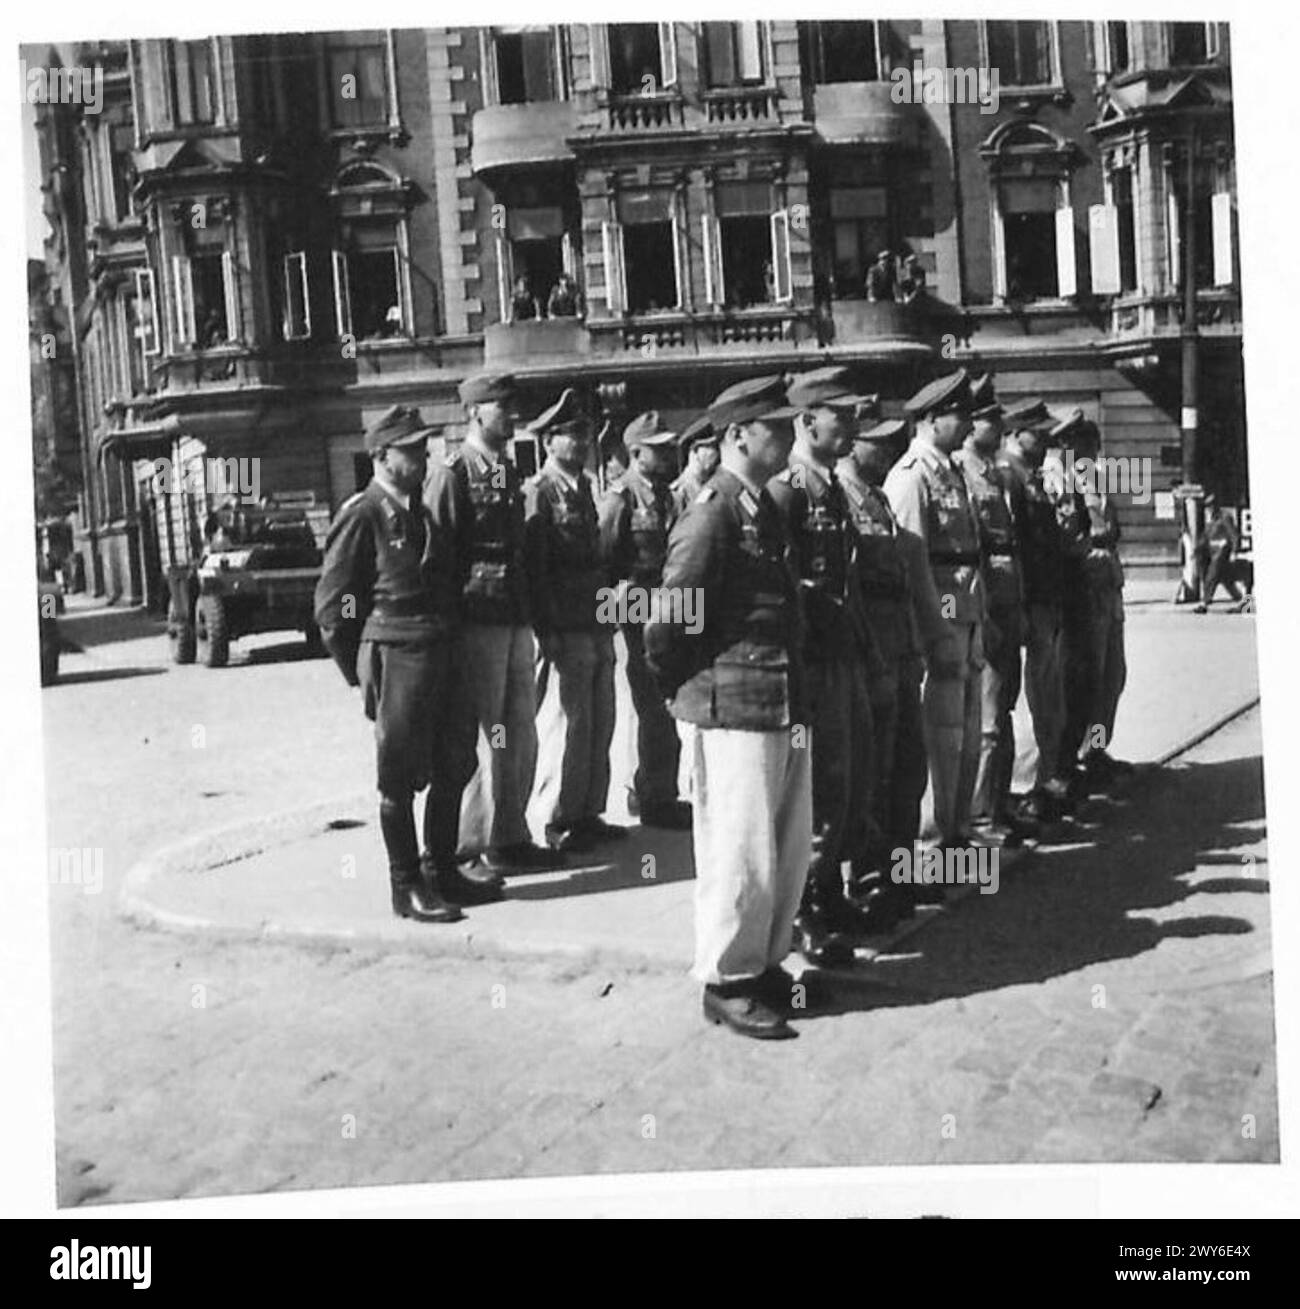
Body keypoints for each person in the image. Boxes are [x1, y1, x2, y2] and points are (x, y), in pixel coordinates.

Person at [644, 376, 812, 1040]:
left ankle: (766, 961)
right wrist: (679, 692)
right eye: (778, 425)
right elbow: (671, 616)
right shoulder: (712, 511)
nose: (790, 435)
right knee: (739, 849)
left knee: (782, 844)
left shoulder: (762, 507)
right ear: (740, 434)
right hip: (733, 703)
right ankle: (728, 978)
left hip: (779, 698)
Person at [314, 405, 493, 923]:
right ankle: (405, 884)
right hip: (398, 655)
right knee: (398, 775)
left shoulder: (418, 511)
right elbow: (334, 608)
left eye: (424, 448)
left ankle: (442, 871)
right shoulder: (363, 513)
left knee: (455, 763)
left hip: (439, 649)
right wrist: (364, 669)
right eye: (410, 450)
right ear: (379, 455)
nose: (422, 457)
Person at [425, 371, 563, 874]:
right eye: (501, 408)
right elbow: (437, 555)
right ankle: (467, 847)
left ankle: (509, 834)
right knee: (483, 736)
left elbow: (519, 544)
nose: (512, 416)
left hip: (512, 615)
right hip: (475, 619)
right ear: (474, 413)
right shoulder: (452, 472)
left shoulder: (502, 470)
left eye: (511, 407)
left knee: (517, 730)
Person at [769, 366, 881, 965]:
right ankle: (804, 907)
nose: (855, 425)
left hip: (843, 654)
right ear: (807, 421)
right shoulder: (787, 492)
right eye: (844, 414)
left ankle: (831, 888)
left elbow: (847, 577)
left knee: (852, 778)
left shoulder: (831, 488)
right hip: (812, 660)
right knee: (821, 783)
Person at [884, 370, 985, 875]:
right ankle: (930, 844)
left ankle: (958, 831)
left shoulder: (952, 470)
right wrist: (933, 631)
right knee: (937, 735)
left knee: (965, 733)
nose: (967, 422)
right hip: (940, 619)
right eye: (957, 414)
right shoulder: (911, 474)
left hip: (966, 614)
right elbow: (912, 560)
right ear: (929, 420)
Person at [524, 388, 623, 853]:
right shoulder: (540, 492)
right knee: (565, 723)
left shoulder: (583, 489)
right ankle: (555, 817)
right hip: (564, 623)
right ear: (548, 442)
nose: (581, 442)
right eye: (570, 435)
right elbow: (535, 567)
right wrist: (546, 630)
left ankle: (587, 810)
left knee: (599, 719)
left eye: (584, 434)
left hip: (594, 619)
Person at [838, 412, 927, 927]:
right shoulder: (840, 499)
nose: (890, 449)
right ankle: (868, 879)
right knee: (872, 773)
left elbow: (902, 579)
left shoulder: (877, 499)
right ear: (856, 446)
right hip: (870, 655)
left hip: (899, 652)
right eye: (880, 442)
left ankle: (899, 869)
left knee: (907, 770)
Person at [597, 411, 692, 830]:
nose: (669, 452)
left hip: (672, 609)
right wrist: (612, 617)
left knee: (668, 702)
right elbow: (601, 561)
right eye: (659, 448)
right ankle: (654, 797)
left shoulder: (669, 496)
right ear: (636, 452)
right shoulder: (620, 498)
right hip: (637, 613)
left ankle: (658, 790)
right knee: (652, 707)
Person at [953, 375, 1026, 843]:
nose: (998, 425)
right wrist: (984, 613)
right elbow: (971, 550)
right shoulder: (961, 472)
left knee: (1004, 714)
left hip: (1007, 602)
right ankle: (979, 817)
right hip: (985, 609)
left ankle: (998, 805)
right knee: (986, 722)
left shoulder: (996, 472)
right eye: (989, 418)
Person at [1002, 398, 1075, 825]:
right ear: (1017, 433)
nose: (1047, 437)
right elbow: (1013, 549)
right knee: (1029, 705)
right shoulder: (1009, 477)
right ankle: (1023, 789)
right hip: (1028, 604)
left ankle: (1043, 782)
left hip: (1045, 602)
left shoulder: (1030, 477)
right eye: (1038, 431)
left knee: (1047, 699)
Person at [1053, 410, 1133, 782]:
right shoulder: (1060, 480)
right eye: (1081, 445)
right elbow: (1066, 537)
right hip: (1084, 587)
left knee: (1113, 675)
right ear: (1067, 445)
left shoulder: (1097, 479)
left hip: (1108, 584)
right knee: (1088, 676)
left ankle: (1097, 748)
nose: (1089, 452)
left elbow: (1112, 530)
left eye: (1092, 445)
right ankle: (1079, 754)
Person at [671, 417, 720, 517]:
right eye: (713, 447)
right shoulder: (679, 493)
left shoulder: (715, 486)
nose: (719, 453)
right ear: (695, 450)